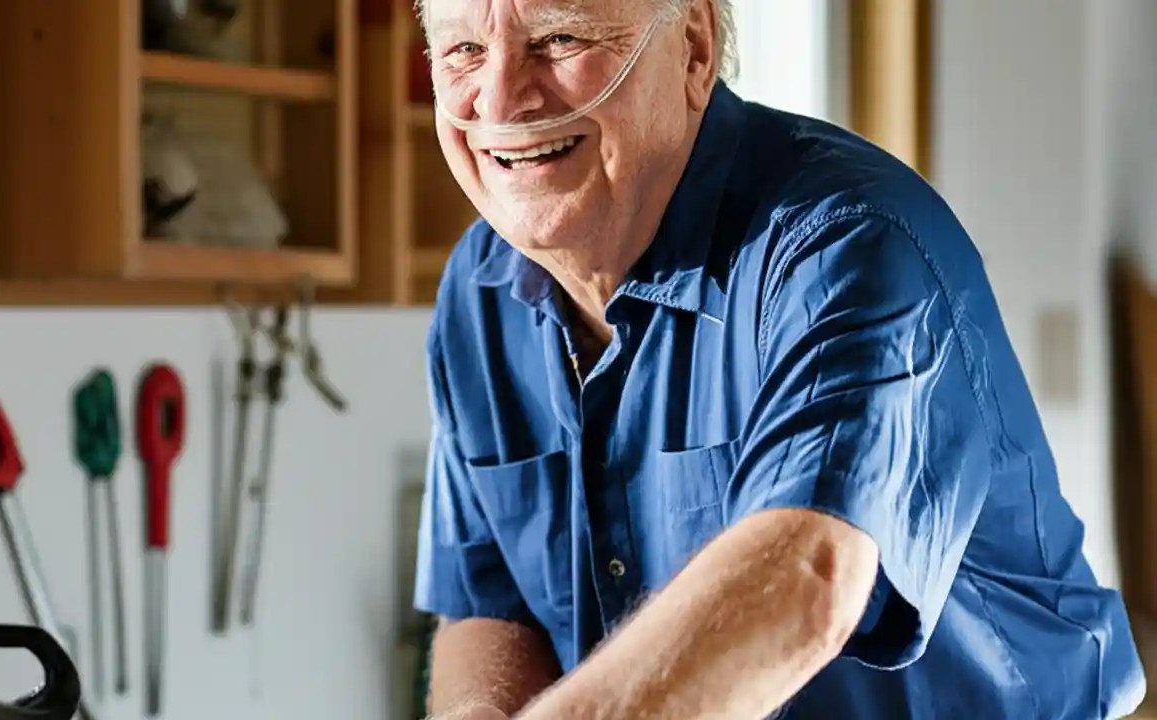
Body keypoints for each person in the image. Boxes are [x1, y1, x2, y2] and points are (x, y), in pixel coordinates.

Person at [411, 0, 1148, 717]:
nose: (501, 96)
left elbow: (806, 578)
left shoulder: (851, 244)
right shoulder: (479, 294)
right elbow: (488, 603)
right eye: (464, 51)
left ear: (693, 46)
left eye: (559, 38)